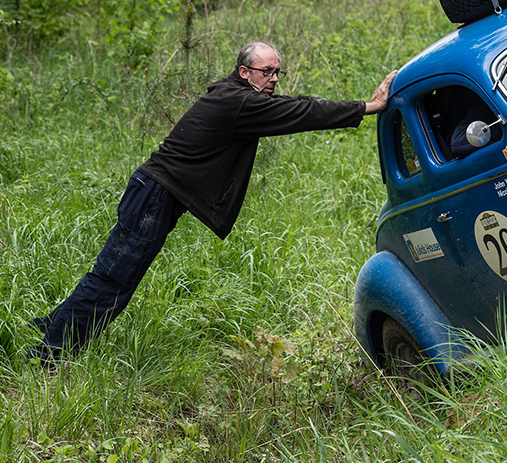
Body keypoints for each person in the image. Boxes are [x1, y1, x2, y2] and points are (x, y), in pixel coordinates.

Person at [28, 41, 395, 363]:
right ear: (244, 71)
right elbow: (300, 111)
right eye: (267, 71)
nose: (274, 79)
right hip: (153, 197)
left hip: (154, 195)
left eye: (277, 72)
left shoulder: (233, 95)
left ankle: (47, 329)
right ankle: (49, 353)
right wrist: (367, 106)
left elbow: (291, 107)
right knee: (113, 280)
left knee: (111, 274)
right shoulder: (239, 103)